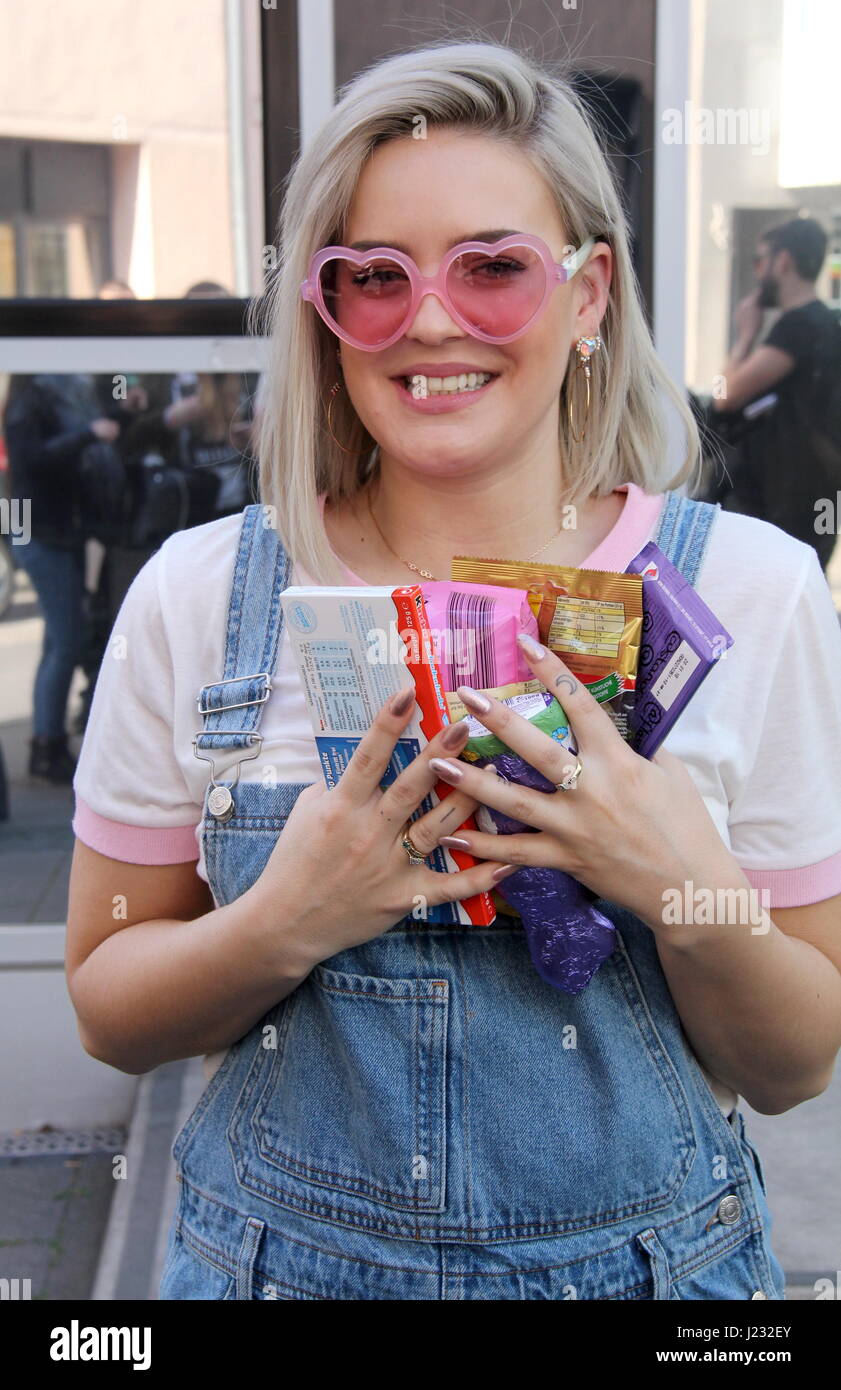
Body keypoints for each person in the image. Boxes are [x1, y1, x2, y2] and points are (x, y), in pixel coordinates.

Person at [66, 42, 841, 1301]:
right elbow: (108, 1003)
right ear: (325, 311)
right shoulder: (200, 597)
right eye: (374, 276)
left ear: (589, 295)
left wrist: (681, 882)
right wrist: (284, 921)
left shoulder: (751, 593)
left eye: (493, 267)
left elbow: (794, 1059)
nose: (430, 318)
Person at [3, 374, 122, 782]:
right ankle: (47, 744)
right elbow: (30, 461)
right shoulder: (31, 399)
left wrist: (119, 412)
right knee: (66, 642)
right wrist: (88, 434)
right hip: (42, 533)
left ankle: (47, 741)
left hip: (58, 531)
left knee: (58, 641)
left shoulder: (56, 392)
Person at [711, 217, 841, 570]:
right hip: (814, 502)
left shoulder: (799, 326)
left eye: (760, 260)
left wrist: (744, 336)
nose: (757, 272)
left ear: (783, 261)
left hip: (785, 507)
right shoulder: (827, 325)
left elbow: (725, 395)